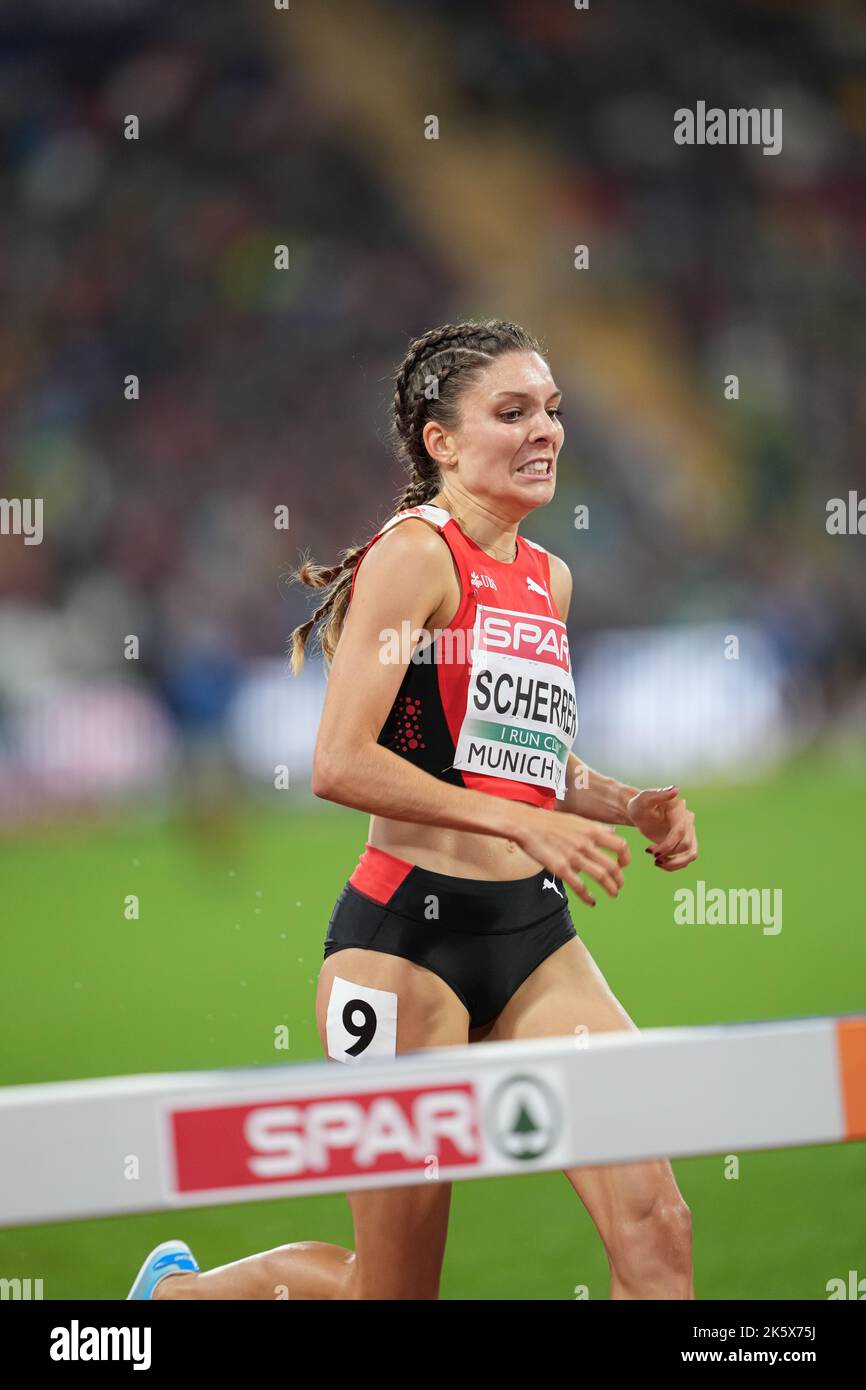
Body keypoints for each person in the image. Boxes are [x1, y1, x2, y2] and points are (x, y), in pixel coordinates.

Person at [128, 318, 698, 1302]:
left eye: (552, 411)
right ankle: (176, 1299)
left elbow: (519, 759)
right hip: (402, 954)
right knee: (389, 1295)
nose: (545, 432)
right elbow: (339, 762)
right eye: (511, 412)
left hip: (532, 938)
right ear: (441, 442)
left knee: (656, 1226)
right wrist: (517, 821)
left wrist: (625, 802)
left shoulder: (544, 576)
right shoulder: (412, 556)